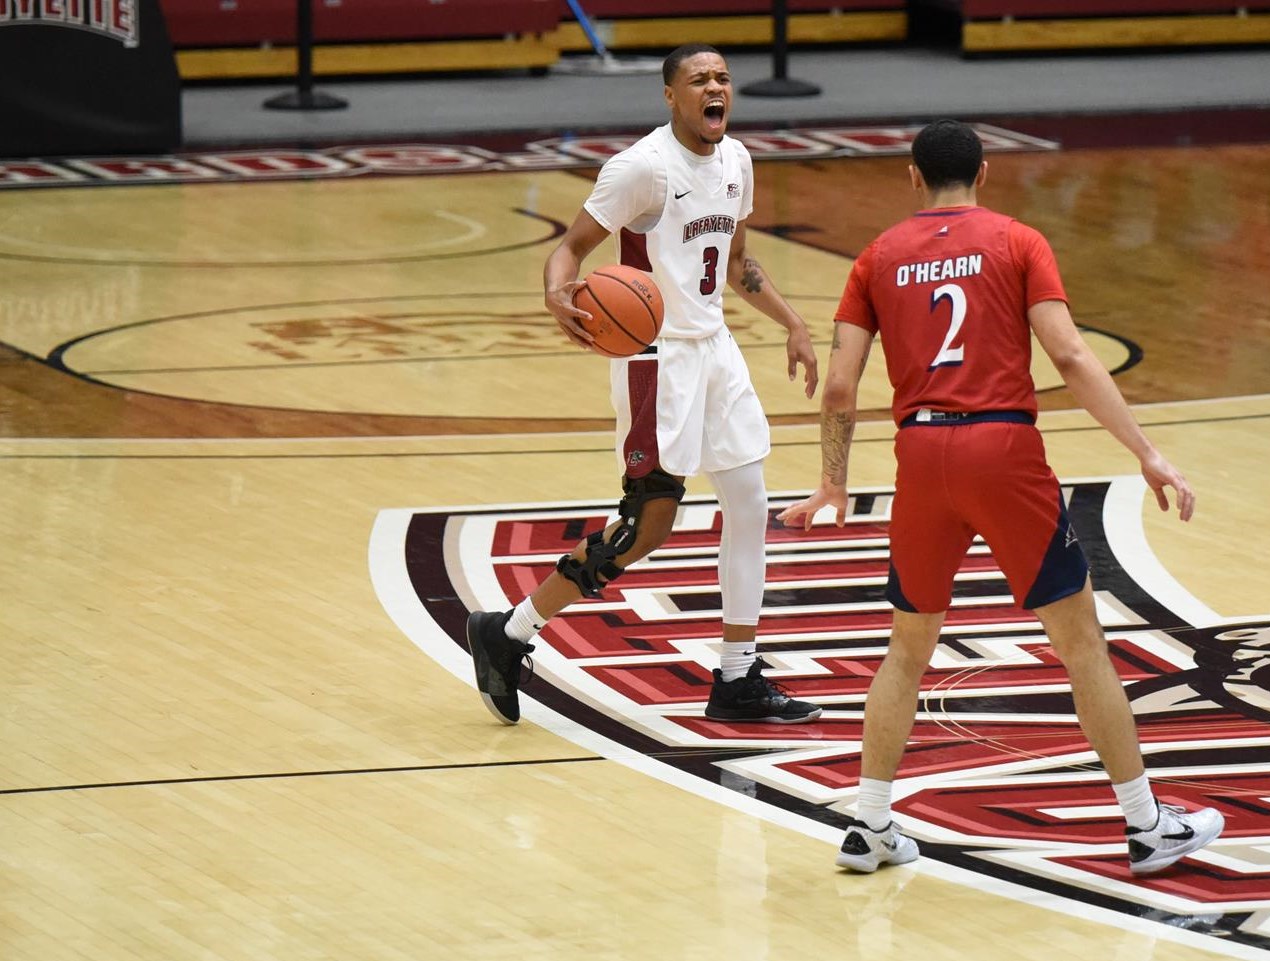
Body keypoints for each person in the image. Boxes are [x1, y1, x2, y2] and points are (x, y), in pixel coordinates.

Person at [779, 120, 1225, 875]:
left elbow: (844, 386)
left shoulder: (876, 257)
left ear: (911, 179)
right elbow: (1069, 353)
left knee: (906, 649)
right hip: (1001, 449)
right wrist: (1145, 452)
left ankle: (869, 824)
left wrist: (832, 481)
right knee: (1080, 642)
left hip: (920, 454)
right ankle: (1146, 823)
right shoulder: (1018, 240)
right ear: (983, 173)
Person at [466, 44, 823, 728]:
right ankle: (508, 631)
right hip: (656, 358)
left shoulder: (737, 161)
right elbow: (570, 248)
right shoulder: (641, 169)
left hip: (715, 349)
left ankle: (738, 676)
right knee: (646, 525)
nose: (714, 88)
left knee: (748, 500)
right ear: (669, 96)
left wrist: (793, 322)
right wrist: (554, 294)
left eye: (722, 77)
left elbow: (739, 261)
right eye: (699, 80)